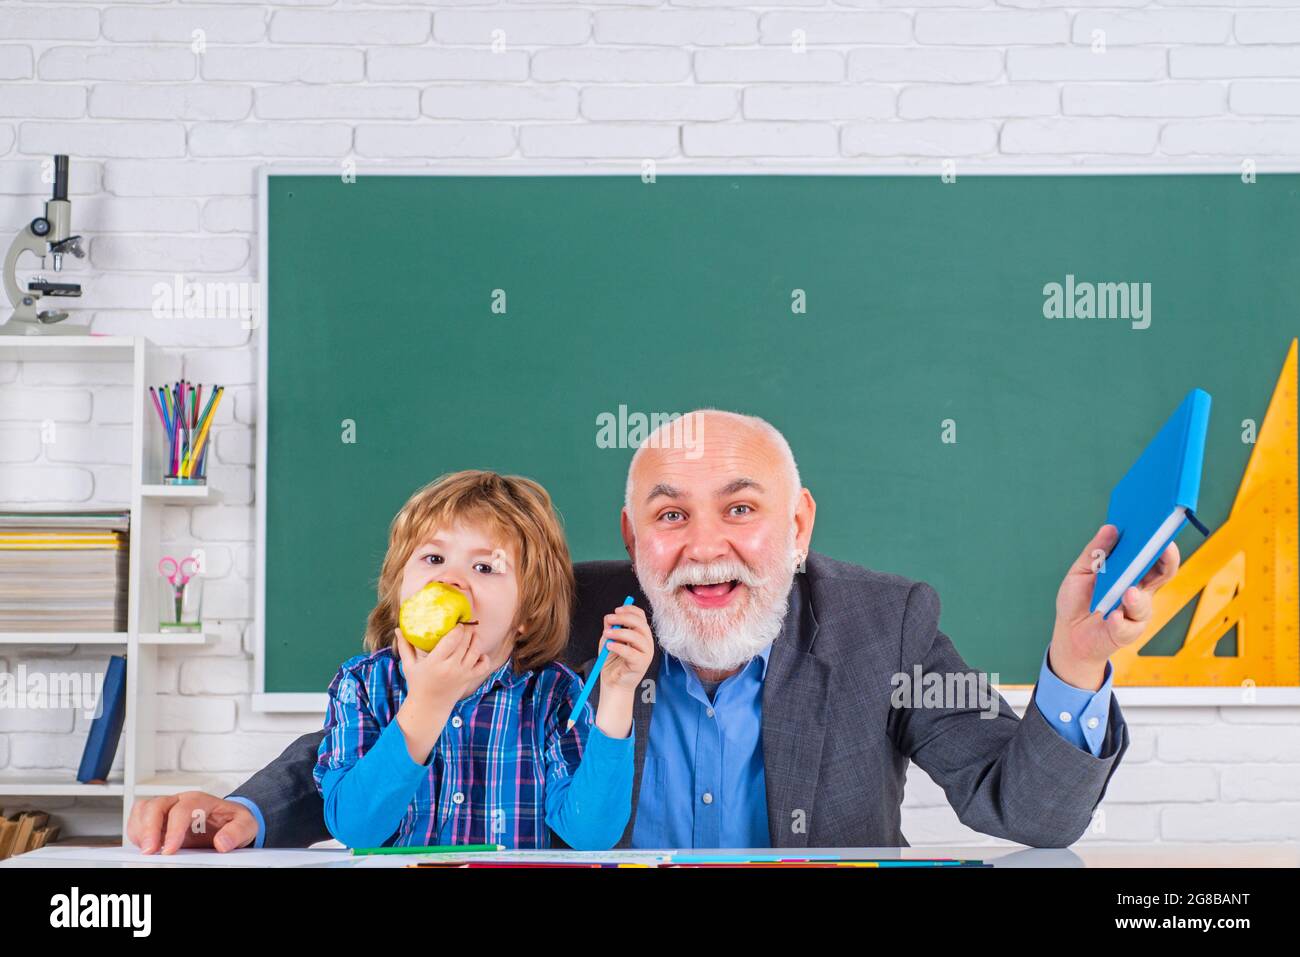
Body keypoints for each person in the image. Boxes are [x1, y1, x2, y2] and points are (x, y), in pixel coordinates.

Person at [128, 410, 1175, 853]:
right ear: (634, 537)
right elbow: (385, 731)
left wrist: (1077, 663)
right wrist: (243, 812)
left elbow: (1023, 810)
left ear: (799, 524)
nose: (704, 544)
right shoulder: (550, 609)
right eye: (670, 514)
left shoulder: (880, 624)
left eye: (742, 507)